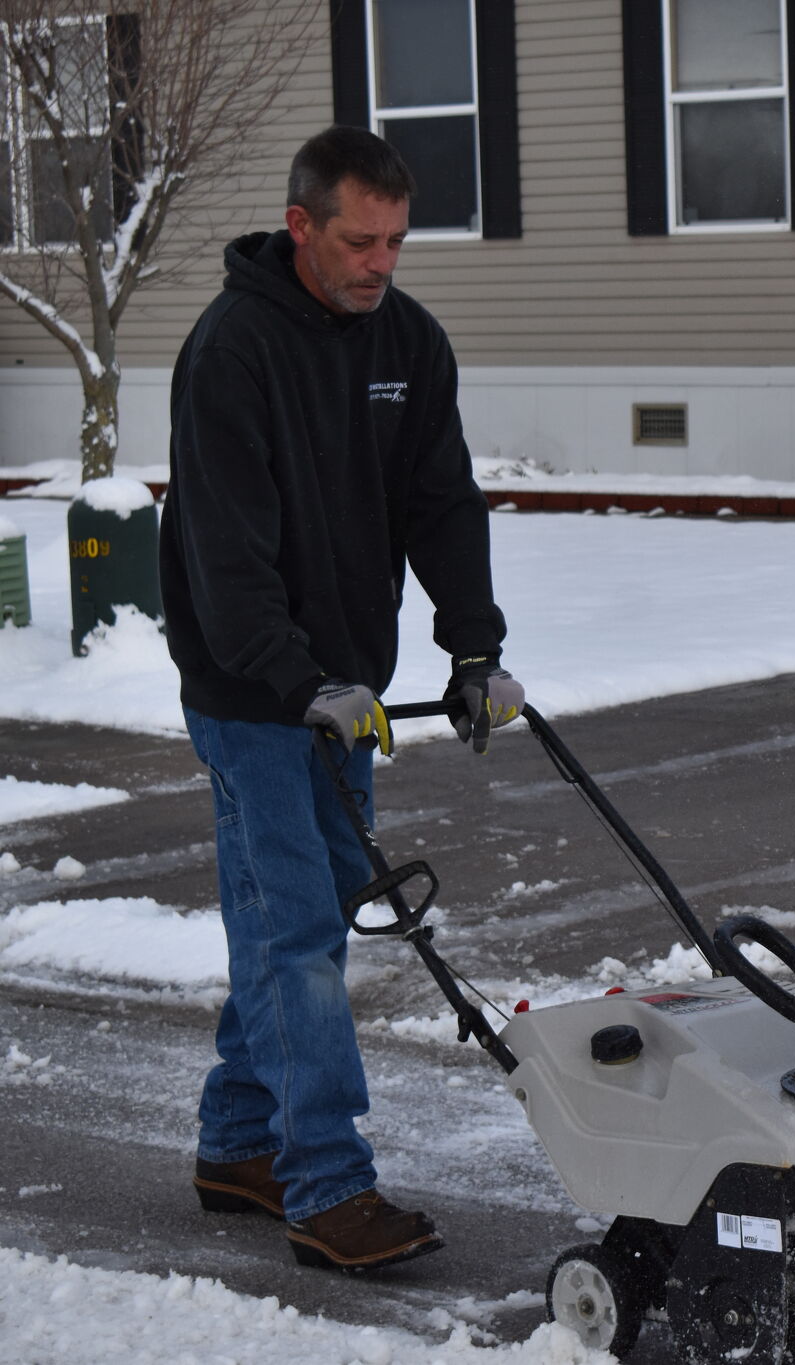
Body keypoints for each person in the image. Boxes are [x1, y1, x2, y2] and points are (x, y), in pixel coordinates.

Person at [159, 125, 524, 1272]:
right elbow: (227, 556)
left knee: (286, 923)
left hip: (344, 696)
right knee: (302, 934)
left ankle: (237, 1143)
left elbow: (440, 503)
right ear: (301, 224)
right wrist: (294, 680)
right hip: (254, 694)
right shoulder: (233, 352)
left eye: (397, 243)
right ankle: (325, 1186)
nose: (381, 264)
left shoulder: (406, 341)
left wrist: (473, 650)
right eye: (360, 242)